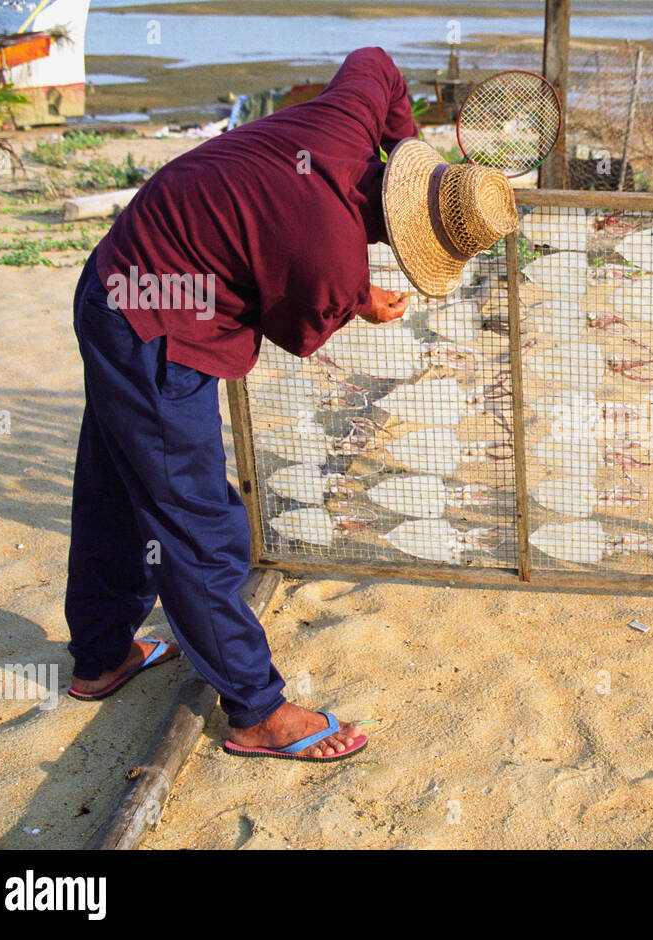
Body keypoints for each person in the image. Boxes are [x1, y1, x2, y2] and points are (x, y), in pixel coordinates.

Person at [64, 47, 517, 761]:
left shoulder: (346, 116)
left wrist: (401, 144)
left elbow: (376, 61)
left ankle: (101, 655)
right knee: (199, 524)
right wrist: (355, 300)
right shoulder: (333, 260)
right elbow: (302, 328)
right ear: (403, 238)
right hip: (157, 329)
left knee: (117, 485)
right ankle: (256, 710)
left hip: (115, 276)